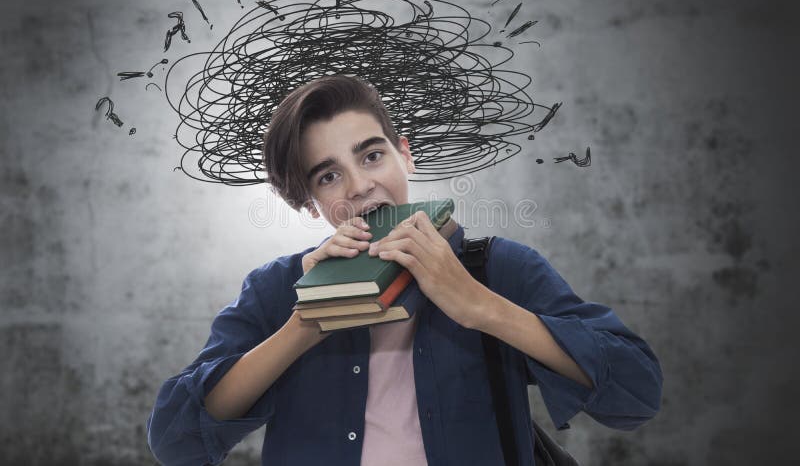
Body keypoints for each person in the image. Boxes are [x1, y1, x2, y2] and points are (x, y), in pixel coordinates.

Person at [146, 74, 663, 465]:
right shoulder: (277, 290)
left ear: (405, 156)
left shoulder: (496, 269)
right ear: (309, 205)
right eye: (328, 176)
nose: (358, 187)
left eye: (371, 156)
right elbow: (175, 441)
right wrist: (305, 327)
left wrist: (479, 306)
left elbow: (637, 395)